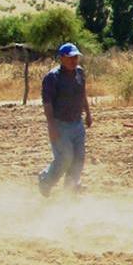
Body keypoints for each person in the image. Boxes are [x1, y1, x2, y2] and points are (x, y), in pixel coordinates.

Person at [38, 42, 92, 197]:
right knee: (65, 158)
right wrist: (51, 126)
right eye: (70, 57)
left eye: (76, 57)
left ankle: (70, 190)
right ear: (61, 58)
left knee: (79, 158)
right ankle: (46, 181)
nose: (74, 60)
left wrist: (88, 113)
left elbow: (82, 95)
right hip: (60, 125)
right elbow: (47, 104)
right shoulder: (52, 78)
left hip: (77, 123)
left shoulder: (80, 73)